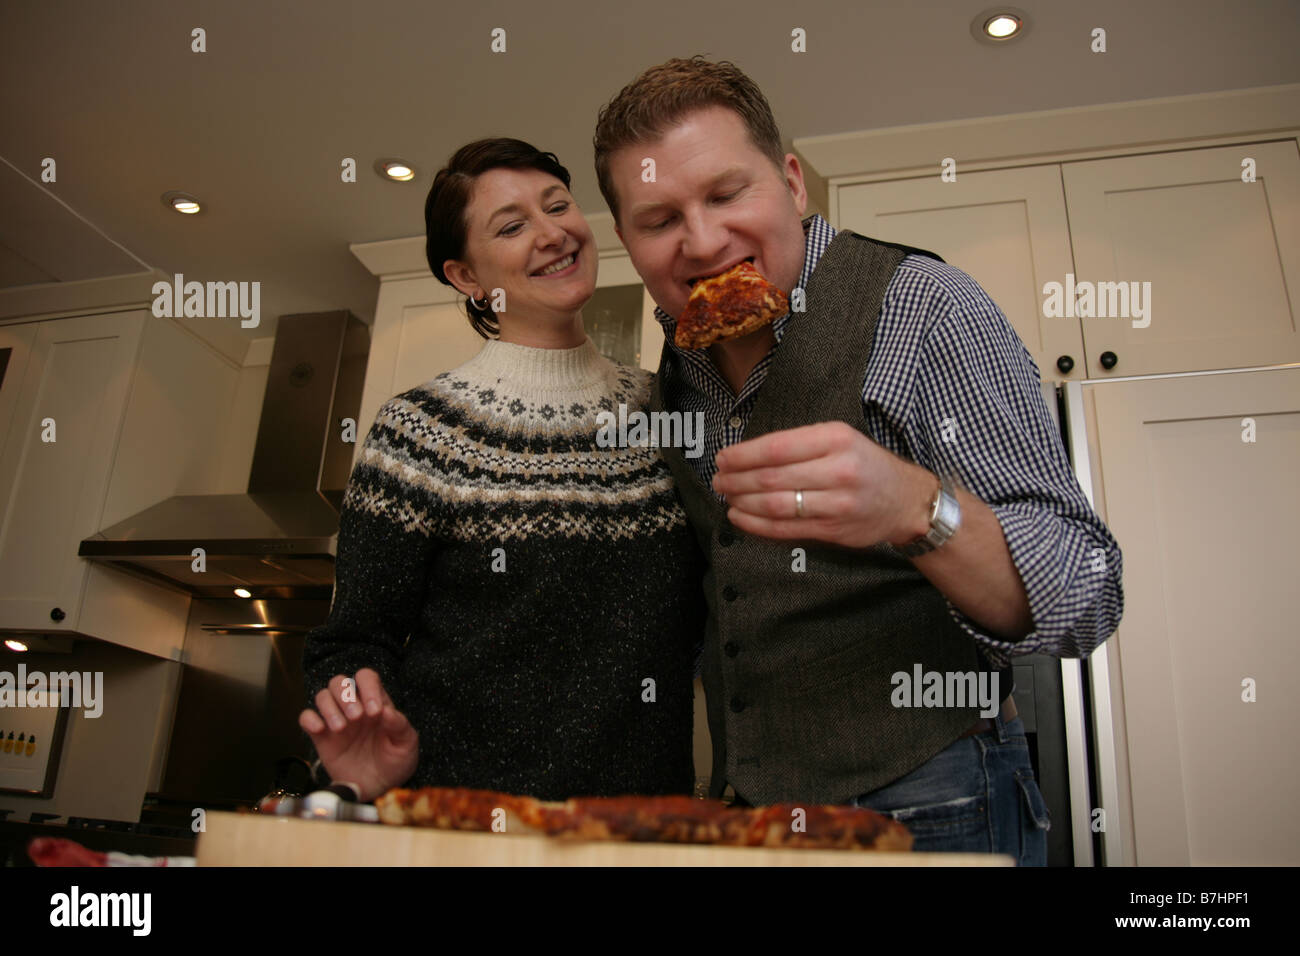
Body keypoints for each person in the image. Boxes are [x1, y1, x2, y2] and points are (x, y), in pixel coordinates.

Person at [592, 56, 1124, 864]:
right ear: (627, 240)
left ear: (794, 184)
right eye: (659, 219)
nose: (702, 241)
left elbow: (1089, 590)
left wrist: (919, 509)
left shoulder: (923, 306)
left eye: (728, 194)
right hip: (754, 819)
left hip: (934, 802)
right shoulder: (675, 372)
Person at [299, 138, 704, 803]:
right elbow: (351, 643)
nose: (553, 234)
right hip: (461, 824)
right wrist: (359, 718)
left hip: (640, 828)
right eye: (512, 227)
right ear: (465, 277)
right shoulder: (420, 430)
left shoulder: (667, 408)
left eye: (558, 206)